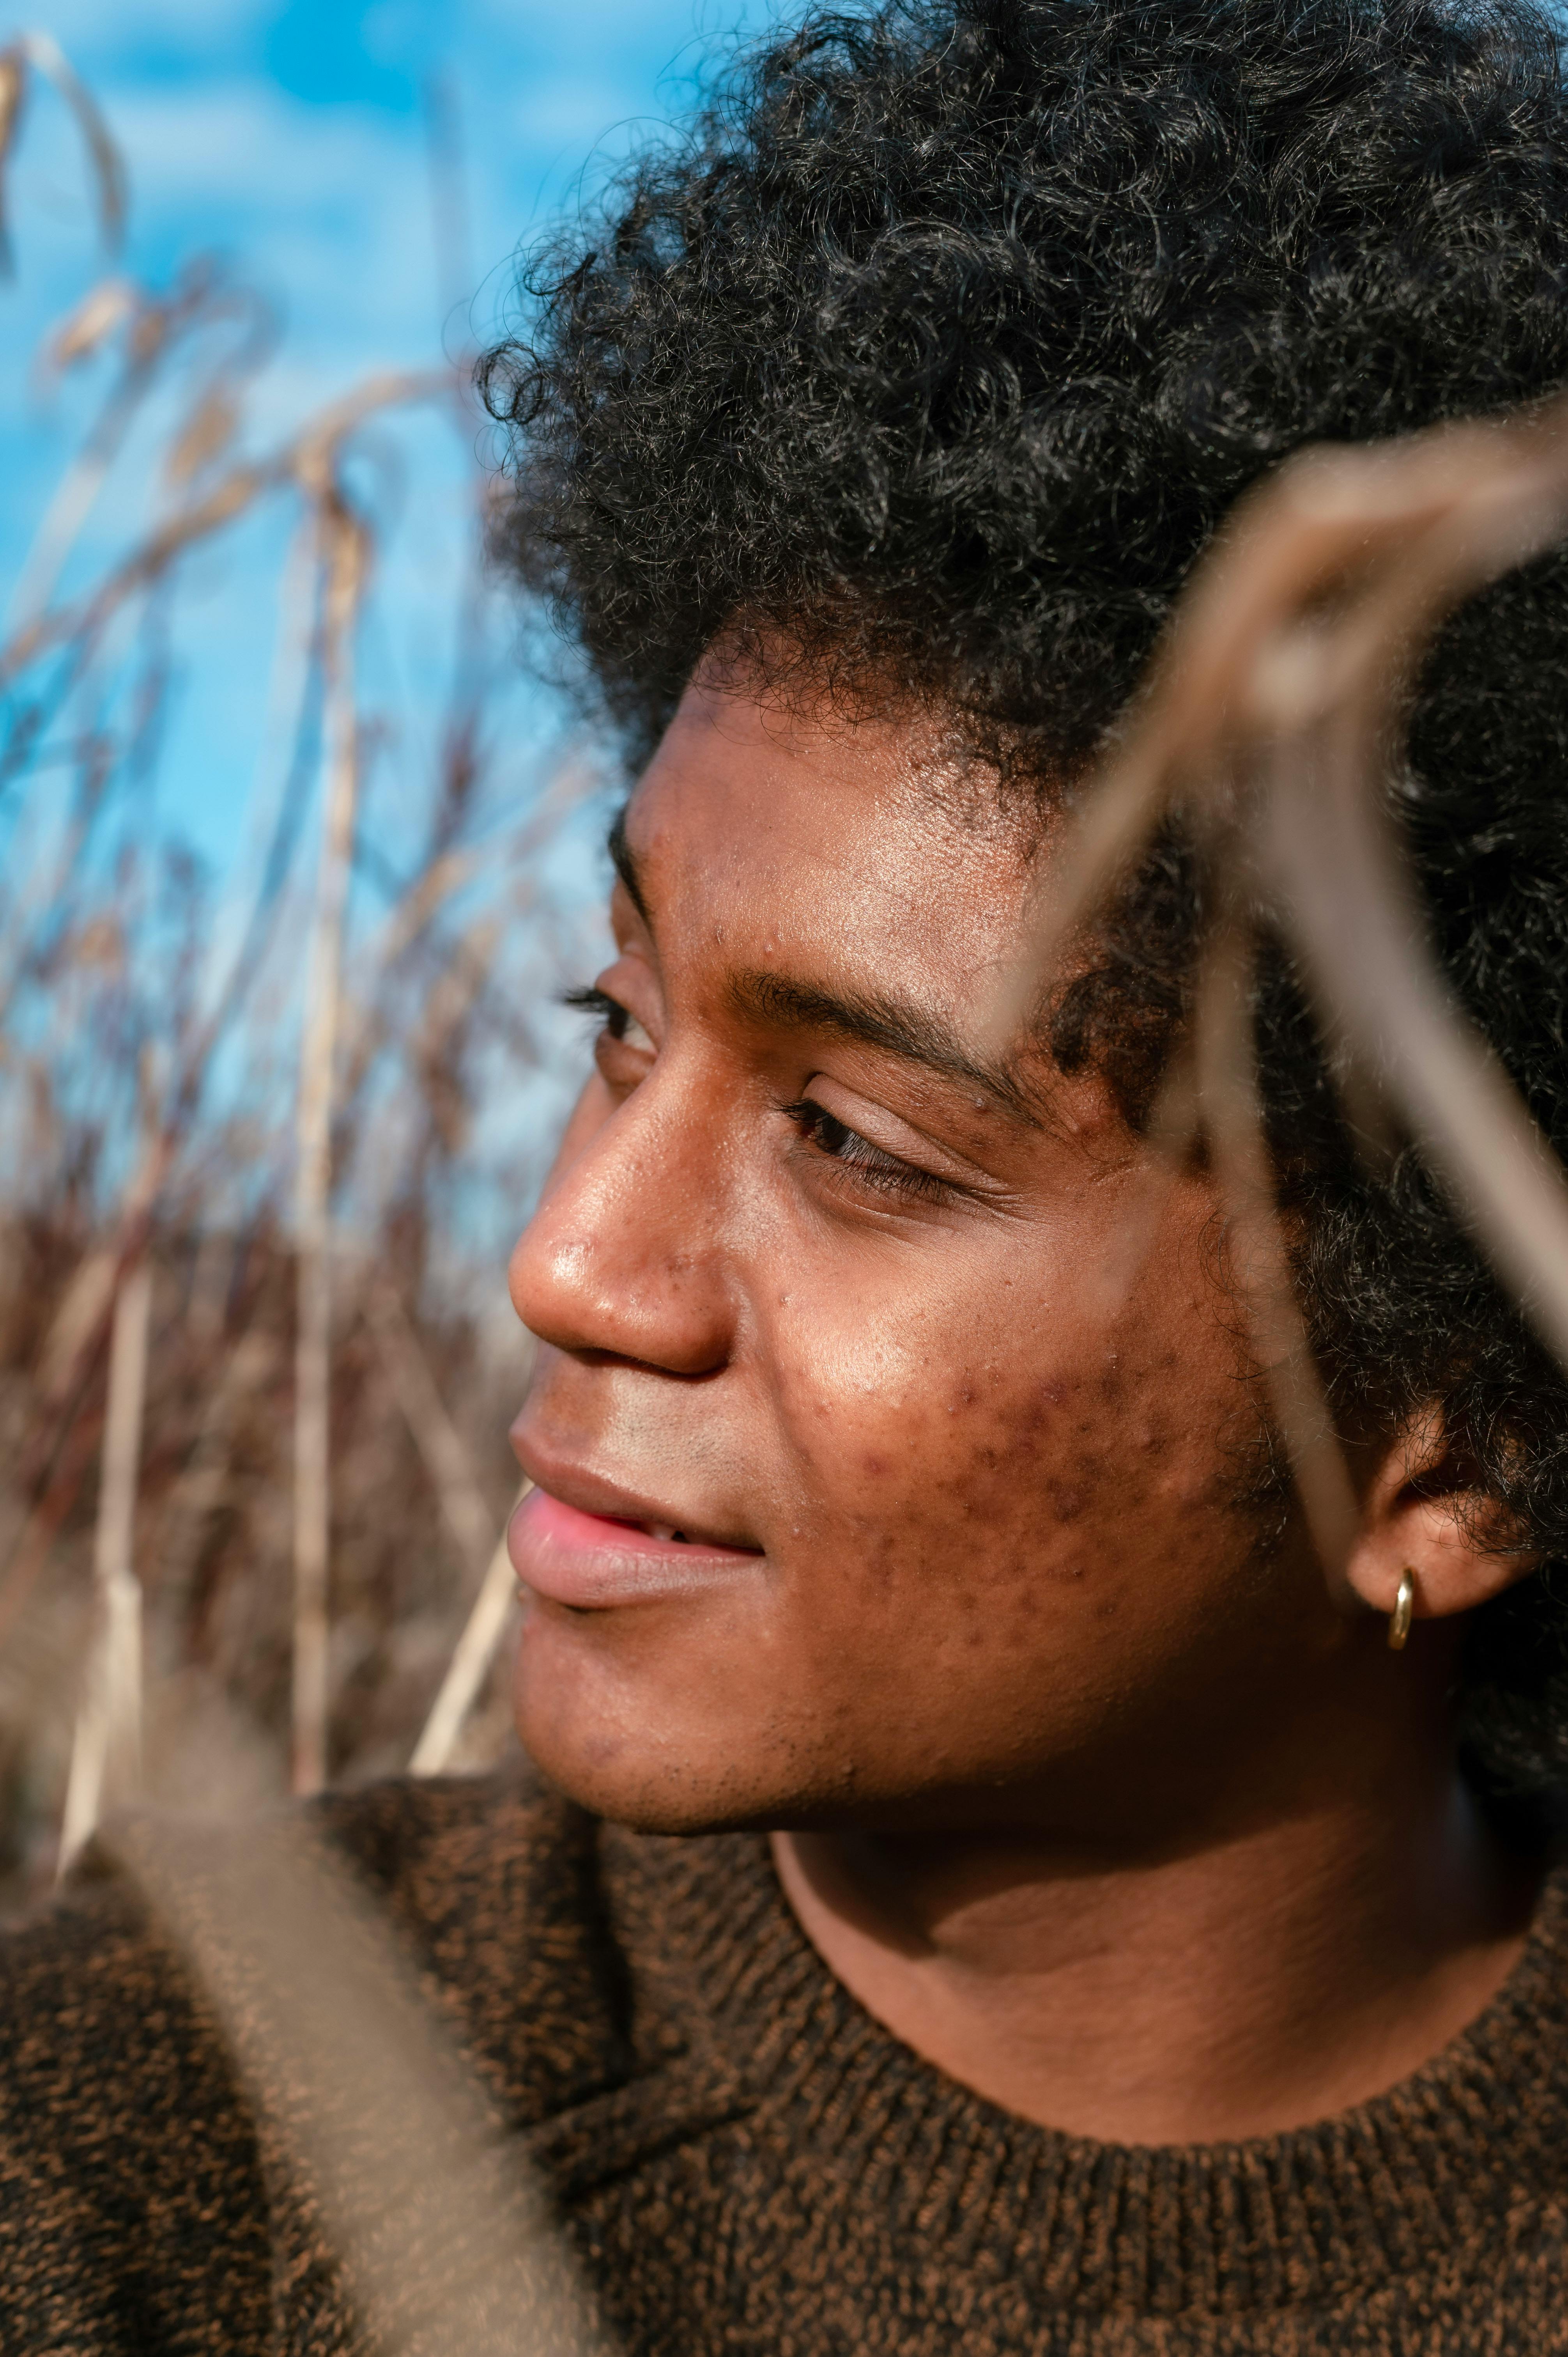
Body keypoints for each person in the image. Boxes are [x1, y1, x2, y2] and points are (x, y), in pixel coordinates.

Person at [4, 0, 1568, 2348]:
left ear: (1457, 1452)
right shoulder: (150, 2162)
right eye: (613, 1026)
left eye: (854, 1142)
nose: (569, 1262)